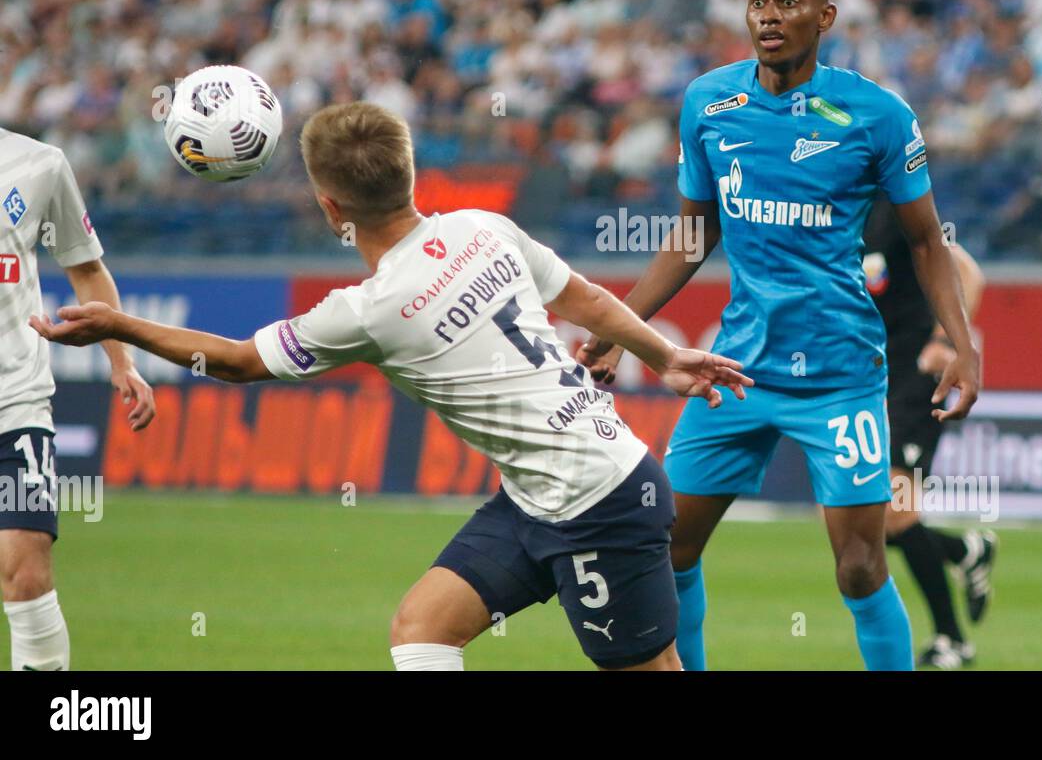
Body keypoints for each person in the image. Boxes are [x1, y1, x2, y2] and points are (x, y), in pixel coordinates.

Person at [30, 102, 752, 672]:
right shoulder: (484, 228)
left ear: (330, 209)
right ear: (410, 174)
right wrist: (663, 355)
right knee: (422, 629)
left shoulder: (369, 310)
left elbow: (238, 362)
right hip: (542, 494)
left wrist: (120, 325)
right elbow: (585, 299)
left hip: (599, 501)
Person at [578, 0, 980, 671]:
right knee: (668, 546)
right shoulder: (708, 102)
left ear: (824, 16)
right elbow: (693, 233)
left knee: (860, 566)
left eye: (789, 2)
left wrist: (960, 342)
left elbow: (929, 242)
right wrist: (623, 328)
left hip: (840, 378)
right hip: (736, 371)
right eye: (758, 1)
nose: (769, 15)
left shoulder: (878, 114)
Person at [2, 127, 156, 671]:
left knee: (26, 573)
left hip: (14, 404)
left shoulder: (39, 164)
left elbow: (87, 270)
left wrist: (122, 361)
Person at [864, 197, 996, 669]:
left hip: (917, 377)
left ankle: (952, 640)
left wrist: (945, 340)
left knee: (895, 512)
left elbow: (969, 274)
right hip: (869, 377)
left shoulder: (894, 206)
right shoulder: (835, 209)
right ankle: (964, 550)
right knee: (855, 523)